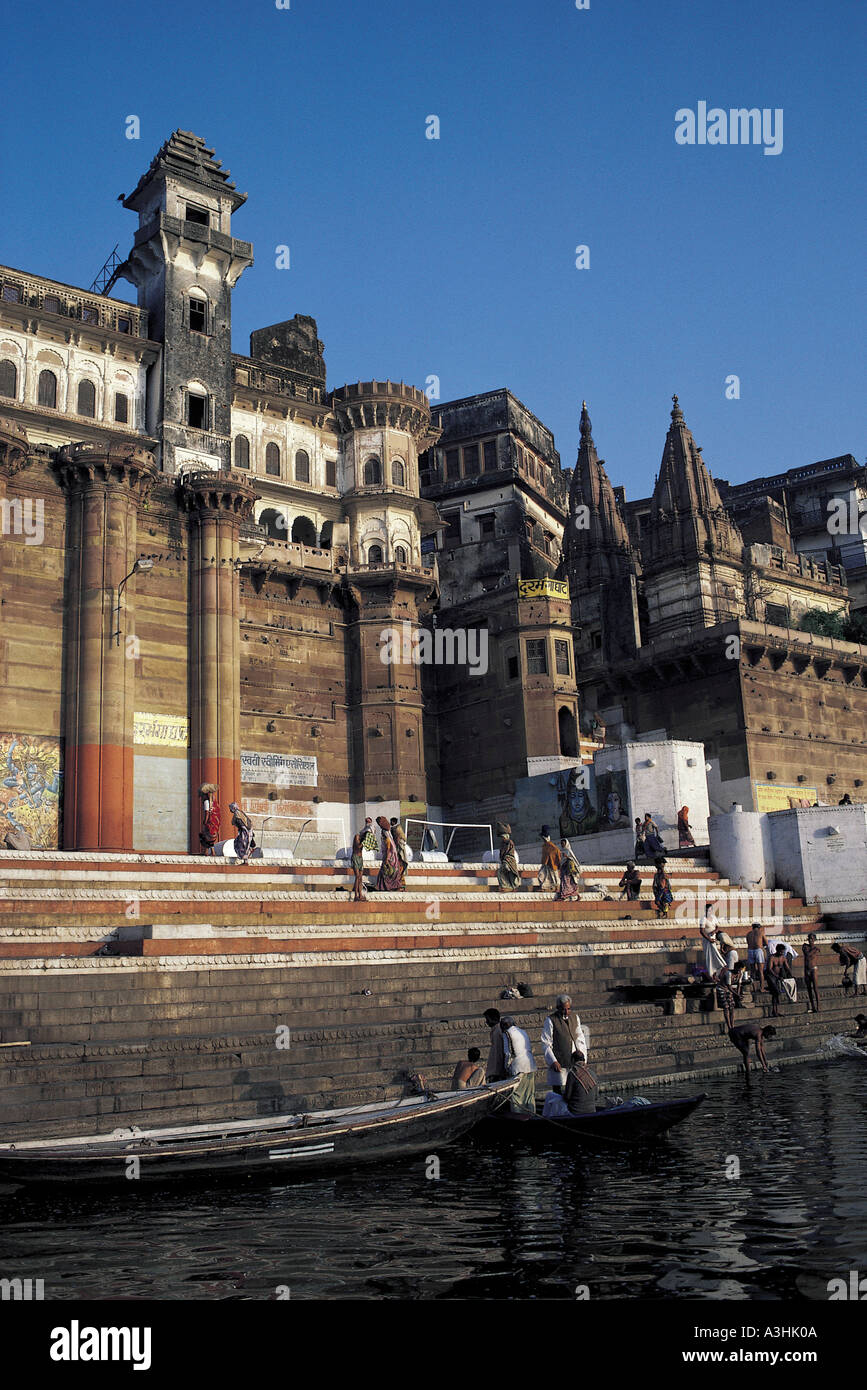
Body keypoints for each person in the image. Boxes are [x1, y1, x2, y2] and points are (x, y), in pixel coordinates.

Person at [541, 994, 588, 1089]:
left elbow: (580, 1039)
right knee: (560, 1091)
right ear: (558, 1008)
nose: (566, 1012)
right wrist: (553, 1061)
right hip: (559, 1061)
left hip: (574, 1062)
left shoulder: (575, 1017)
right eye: (563, 1009)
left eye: (568, 1009)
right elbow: (546, 1043)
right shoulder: (550, 1020)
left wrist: (584, 1058)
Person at [500, 1015, 537, 1114]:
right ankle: (531, 1115)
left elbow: (508, 1053)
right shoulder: (522, 1031)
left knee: (516, 1096)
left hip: (518, 1068)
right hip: (530, 1066)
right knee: (529, 1095)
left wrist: (506, 1067)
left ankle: (518, 1116)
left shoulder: (507, 1033)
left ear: (505, 1026)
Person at [374, 815, 405, 891]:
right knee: (389, 872)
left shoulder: (387, 836)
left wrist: (387, 859)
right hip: (391, 855)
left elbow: (389, 848)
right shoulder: (386, 832)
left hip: (390, 856)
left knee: (387, 872)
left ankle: (388, 887)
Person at [766, 943, 793, 1017]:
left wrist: (791, 975)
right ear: (777, 950)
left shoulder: (783, 958)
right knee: (776, 993)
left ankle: (775, 1011)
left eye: (782, 952)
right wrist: (776, 976)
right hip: (771, 977)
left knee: (775, 994)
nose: (781, 953)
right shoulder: (772, 957)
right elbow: (769, 969)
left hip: (778, 978)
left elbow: (787, 967)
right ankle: (774, 1011)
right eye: (780, 952)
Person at [496, 822, 522, 892]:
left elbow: (510, 853)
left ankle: (513, 886)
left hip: (509, 861)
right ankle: (506, 886)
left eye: (503, 837)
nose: (502, 838)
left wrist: (506, 861)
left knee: (509, 874)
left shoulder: (509, 843)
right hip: (505, 861)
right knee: (501, 873)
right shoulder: (503, 843)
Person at [483, 1008, 507, 1081]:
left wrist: (497, 1072)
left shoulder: (497, 1031)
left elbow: (498, 1053)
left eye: (488, 1019)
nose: (486, 1022)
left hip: (496, 1071)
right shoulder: (495, 1030)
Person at [198, 784, 221, 855]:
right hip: (215, 821)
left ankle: (207, 852)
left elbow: (207, 813)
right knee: (211, 838)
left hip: (210, 822)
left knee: (205, 836)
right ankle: (212, 852)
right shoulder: (214, 802)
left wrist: (205, 821)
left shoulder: (206, 802)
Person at [537, 826, 561, 892]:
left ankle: (557, 888)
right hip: (546, 863)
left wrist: (555, 860)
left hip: (552, 863)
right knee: (541, 875)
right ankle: (543, 887)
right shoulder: (545, 845)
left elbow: (557, 852)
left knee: (554, 876)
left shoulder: (551, 846)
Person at [746, 922, 769, 991]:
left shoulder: (748, 934)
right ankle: (762, 988)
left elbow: (748, 942)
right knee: (760, 971)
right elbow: (767, 943)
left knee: (752, 971)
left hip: (750, 951)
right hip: (758, 950)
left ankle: (754, 988)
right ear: (759, 927)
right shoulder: (761, 933)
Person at [802, 933, 821, 1013]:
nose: (810, 940)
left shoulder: (815, 948)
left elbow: (810, 955)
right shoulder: (805, 946)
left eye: (812, 939)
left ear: (814, 940)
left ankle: (818, 1006)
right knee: (809, 989)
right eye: (809, 938)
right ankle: (813, 1006)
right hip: (807, 969)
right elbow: (807, 955)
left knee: (815, 988)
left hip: (814, 969)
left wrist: (815, 950)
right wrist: (815, 950)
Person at [350, 826, 367, 902]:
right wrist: (363, 842)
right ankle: (356, 895)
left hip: (360, 859)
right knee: (357, 876)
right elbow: (358, 846)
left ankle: (360, 894)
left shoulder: (363, 839)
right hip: (355, 858)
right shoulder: (357, 837)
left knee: (360, 877)